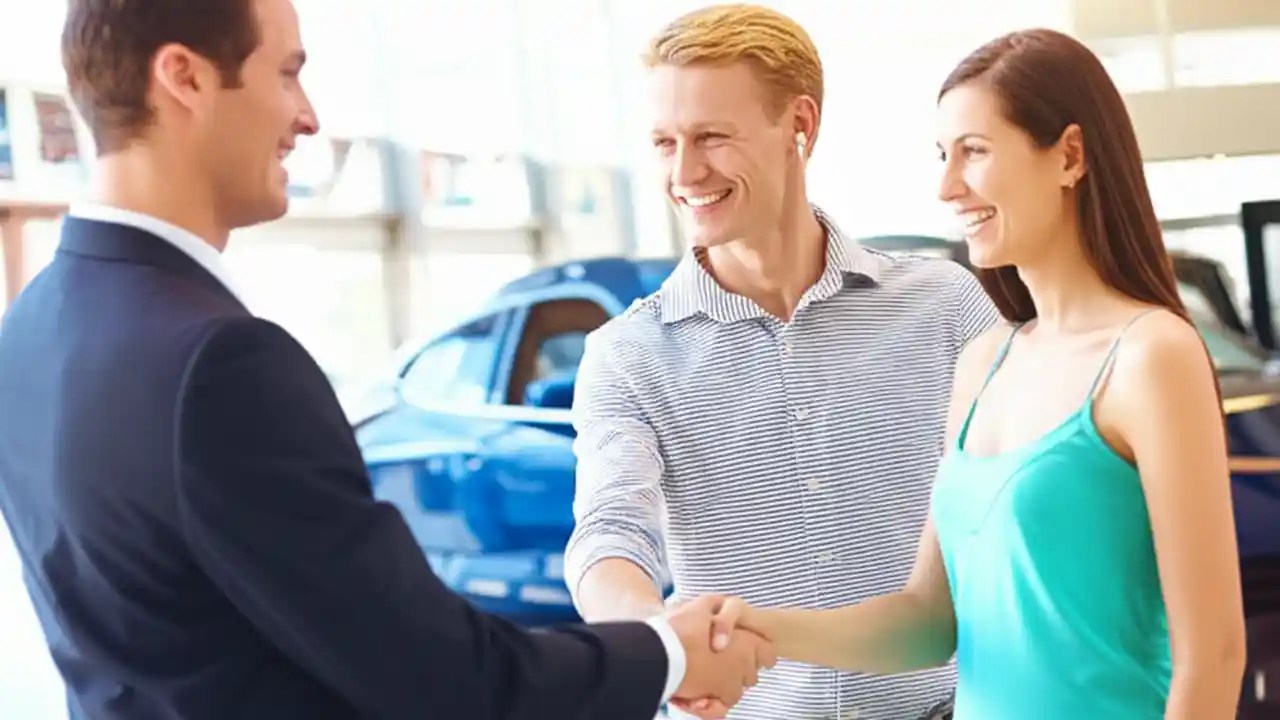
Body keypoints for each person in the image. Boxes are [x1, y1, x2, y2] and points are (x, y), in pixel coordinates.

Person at [0, 1, 776, 718]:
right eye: (287, 72)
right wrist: (670, 654)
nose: (306, 118)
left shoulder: (32, 328)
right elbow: (446, 682)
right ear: (186, 77)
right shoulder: (220, 364)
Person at [703, 27, 1249, 720]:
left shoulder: (1151, 357)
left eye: (975, 152)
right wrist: (760, 628)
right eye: (942, 155)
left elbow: (1215, 656)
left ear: (1070, 157)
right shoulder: (984, 362)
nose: (947, 186)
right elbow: (927, 621)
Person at [564, 4, 999, 719]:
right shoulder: (627, 356)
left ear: (801, 124)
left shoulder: (946, 307)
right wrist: (657, 640)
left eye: (711, 137)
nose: (683, 172)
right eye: (664, 141)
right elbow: (611, 533)